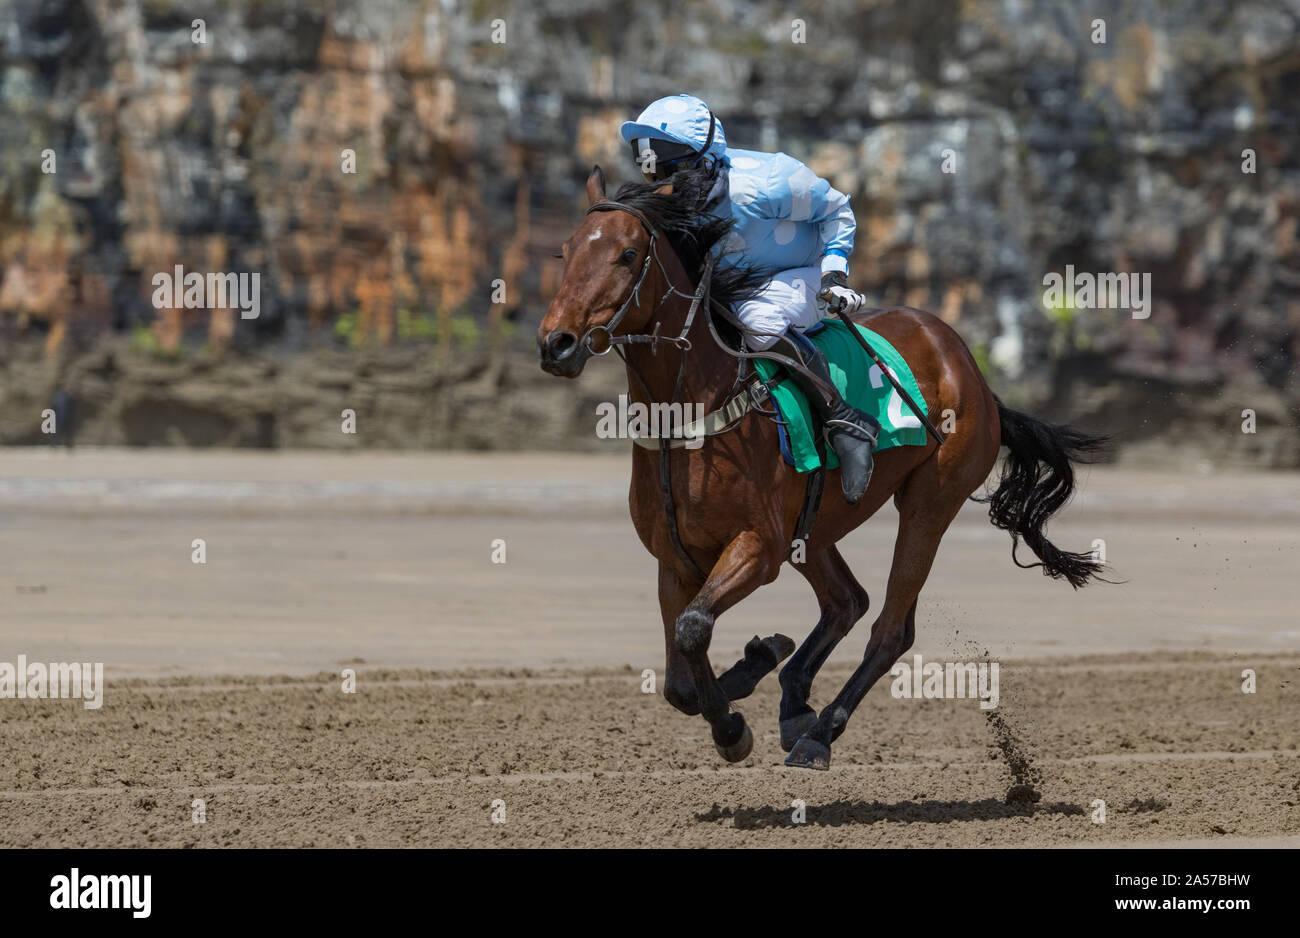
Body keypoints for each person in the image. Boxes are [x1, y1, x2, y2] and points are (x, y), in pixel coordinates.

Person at [620, 93, 880, 502]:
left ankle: (844, 421)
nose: (660, 183)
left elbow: (837, 211)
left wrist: (834, 275)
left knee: (756, 322)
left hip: (800, 274)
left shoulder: (768, 181)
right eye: (651, 170)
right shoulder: (674, 202)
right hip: (731, 284)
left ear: (705, 159)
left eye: (668, 168)